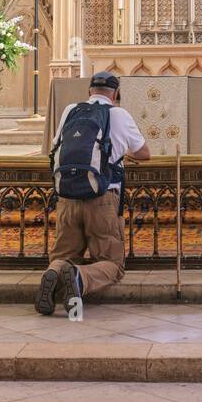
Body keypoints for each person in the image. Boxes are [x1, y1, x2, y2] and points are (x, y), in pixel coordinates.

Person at [36, 71, 149, 315]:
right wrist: (124, 154)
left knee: (65, 254)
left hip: (67, 197)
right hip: (103, 198)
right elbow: (144, 153)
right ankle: (78, 277)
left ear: (89, 91)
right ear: (116, 94)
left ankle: (52, 274)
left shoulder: (70, 111)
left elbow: (55, 146)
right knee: (112, 263)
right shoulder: (119, 114)